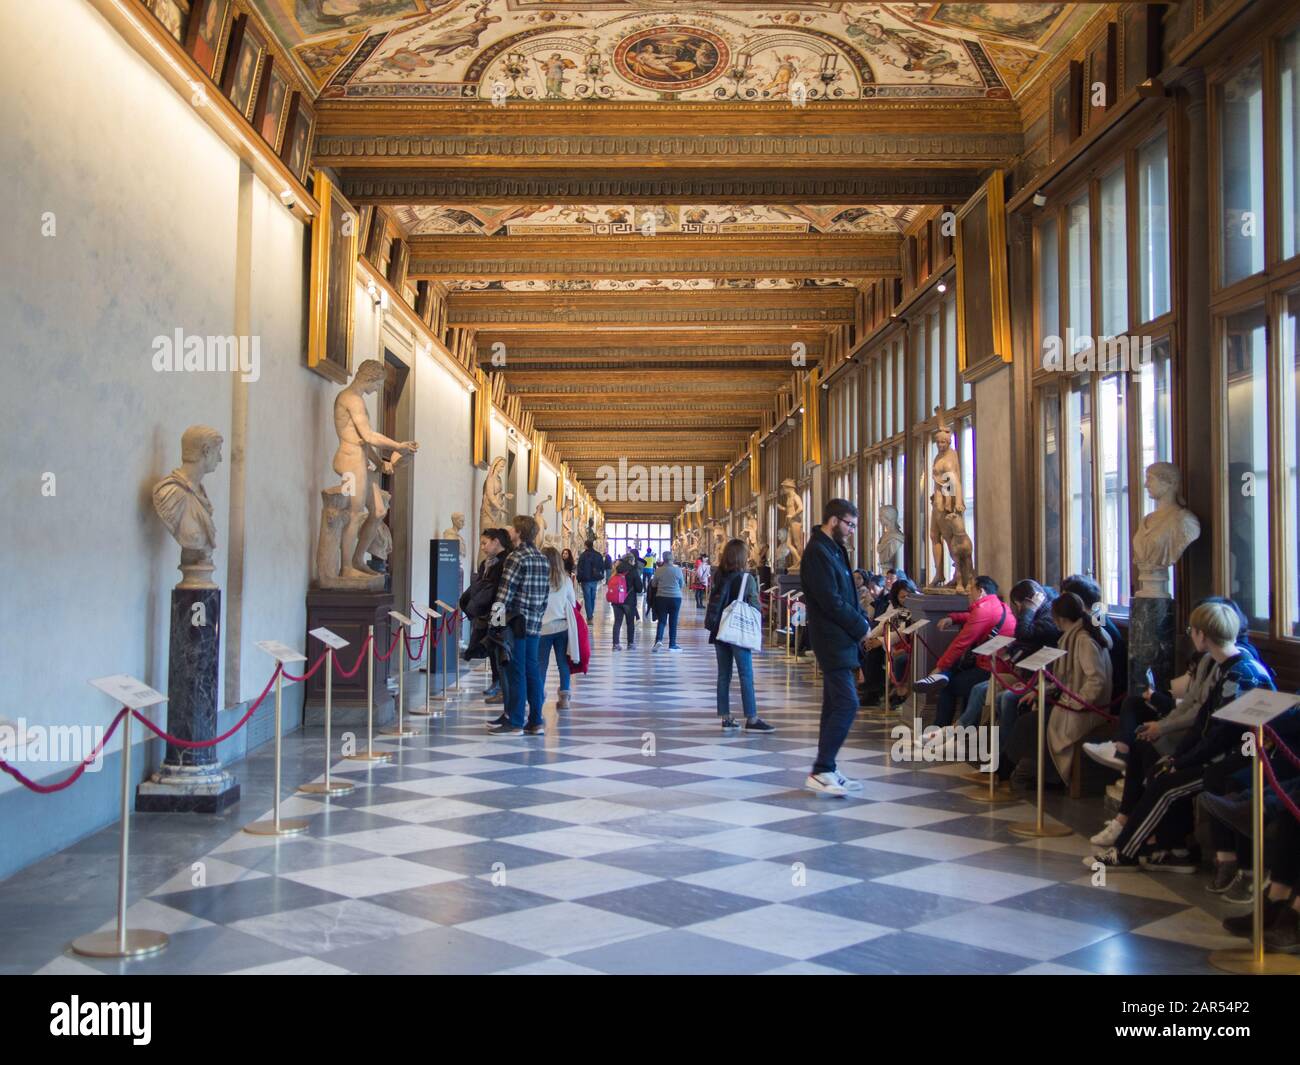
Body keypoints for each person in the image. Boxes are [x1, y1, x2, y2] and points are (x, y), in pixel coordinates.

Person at [1086, 601, 1276, 872]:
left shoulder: (1240, 673)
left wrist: (1183, 761)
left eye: (1192, 630)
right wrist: (1176, 757)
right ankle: (1174, 848)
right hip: (1220, 755)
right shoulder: (1223, 667)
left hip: (1239, 762)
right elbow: (1203, 722)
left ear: (1203, 634)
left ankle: (1125, 853)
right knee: (1160, 771)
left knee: (1166, 785)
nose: (1191, 635)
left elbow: (1222, 735)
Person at [801, 499, 871, 795]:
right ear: (833, 521)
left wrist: (857, 623)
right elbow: (830, 599)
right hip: (832, 638)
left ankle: (826, 767)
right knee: (847, 703)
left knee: (833, 704)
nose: (852, 530)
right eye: (849, 524)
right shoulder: (818, 551)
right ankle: (821, 769)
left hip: (841, 637)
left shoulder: (833, 549)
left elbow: (845, 594)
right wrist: (860, 625)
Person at [914, 576, 1011, 730]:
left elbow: (960, 644)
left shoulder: (983, 610)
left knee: (949, 686)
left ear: (981, 591)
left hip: (992, 668)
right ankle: (940, 678)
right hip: (993, 664)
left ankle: (939, 729)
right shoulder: (1000, 606)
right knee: (954, 674)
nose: (968, 593)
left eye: (971, 588)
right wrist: (954, 618)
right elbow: (975, 618)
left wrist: (939, 666)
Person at [487, 515, 549, 736]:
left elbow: (505, 593)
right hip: (534, 623)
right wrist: (537, 616)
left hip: (516, 622)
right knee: (532, 670)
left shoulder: (516, 557)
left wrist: (495, 624)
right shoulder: (542, 558)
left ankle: (515, 721)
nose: (510, 530)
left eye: (513, 527)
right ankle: (536, 720)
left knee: (516, 671)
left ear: (519, 533)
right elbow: (545, 596)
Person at [705, 538, 773, 732]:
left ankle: (726, 717)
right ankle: (752, 718)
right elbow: (754, 605)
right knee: (745, 674)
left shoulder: (719, 575)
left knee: (723, 675)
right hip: (738, 630)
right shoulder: (746, 578)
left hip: (720, 629)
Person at [459, 527, 512, 705]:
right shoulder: (486, 562)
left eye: (484, 543)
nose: (482, 547)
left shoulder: (507, 561)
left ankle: (503, 686)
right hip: (487, 610)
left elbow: (498, 589)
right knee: (491, 647)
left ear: (496, 541)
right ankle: (497, 682)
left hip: (500, 609)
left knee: (499, 647)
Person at [539, 546, 578, 710]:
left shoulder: (538, 578)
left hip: (543, 628)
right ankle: (565, 697)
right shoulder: (565, 579)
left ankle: (539, 694)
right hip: (561, 626)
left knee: (541, 663)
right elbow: (573, 601)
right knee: (563, 662)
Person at [651, 550, 685, 651]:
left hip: (661, 597)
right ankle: (672, 644)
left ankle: (658, 641)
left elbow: (653, 584)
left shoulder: (659, 570)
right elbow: (682, 585)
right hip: (675, 598)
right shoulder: (678, 570)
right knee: (673, 621)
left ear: (663, 559)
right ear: (672, 559)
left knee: (661, 620)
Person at [611, 552, 643, 650]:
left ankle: (615, 644)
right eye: (633, 560)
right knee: (630, 623)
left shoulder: (616, 570)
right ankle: (630, 643)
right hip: (629, 601)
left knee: (617, 622)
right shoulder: (633, 571)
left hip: (616, 600)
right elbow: (639, 588)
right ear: (630, 560)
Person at [575, 539, 604, 624]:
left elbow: (579, 568)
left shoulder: (583, 555)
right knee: (592, 597)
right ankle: (590, 614)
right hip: (594, 579)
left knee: (587, 598)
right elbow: (601, 567)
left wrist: (579, 579)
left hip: (585, 580)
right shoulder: (598, 555)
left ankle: (590, 616)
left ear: (586, 545)